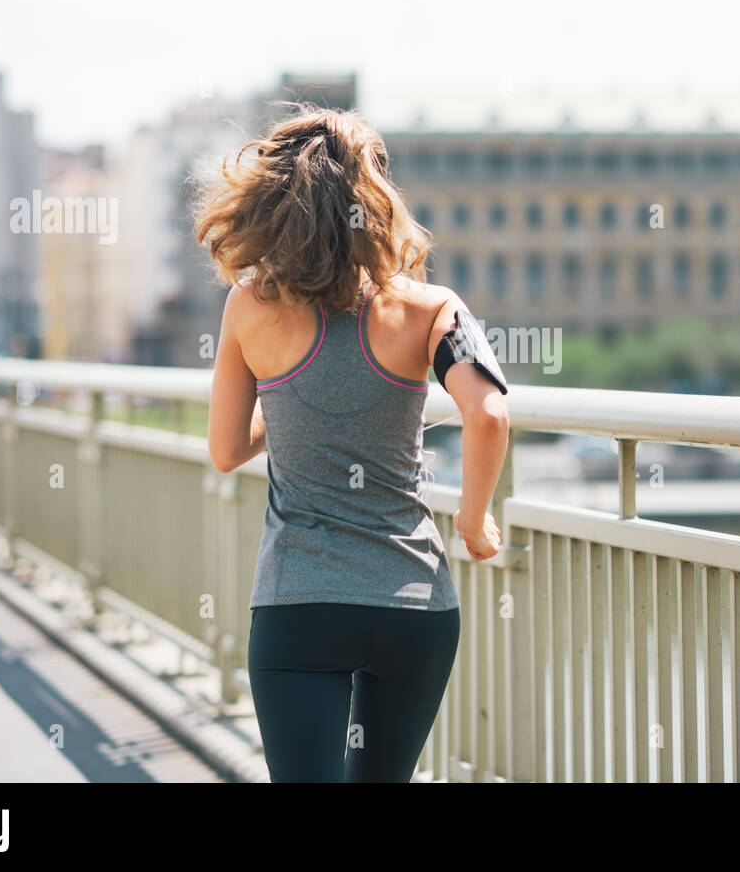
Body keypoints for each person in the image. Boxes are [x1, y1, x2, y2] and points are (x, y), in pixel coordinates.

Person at [194, 103, 510, 782]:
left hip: (298, 606)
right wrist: (477, 522)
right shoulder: (434, 307)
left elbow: (224, 448)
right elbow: (488, 415)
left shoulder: (248, 306)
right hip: (413, 609)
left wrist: (291, 407)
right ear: (375, 197)